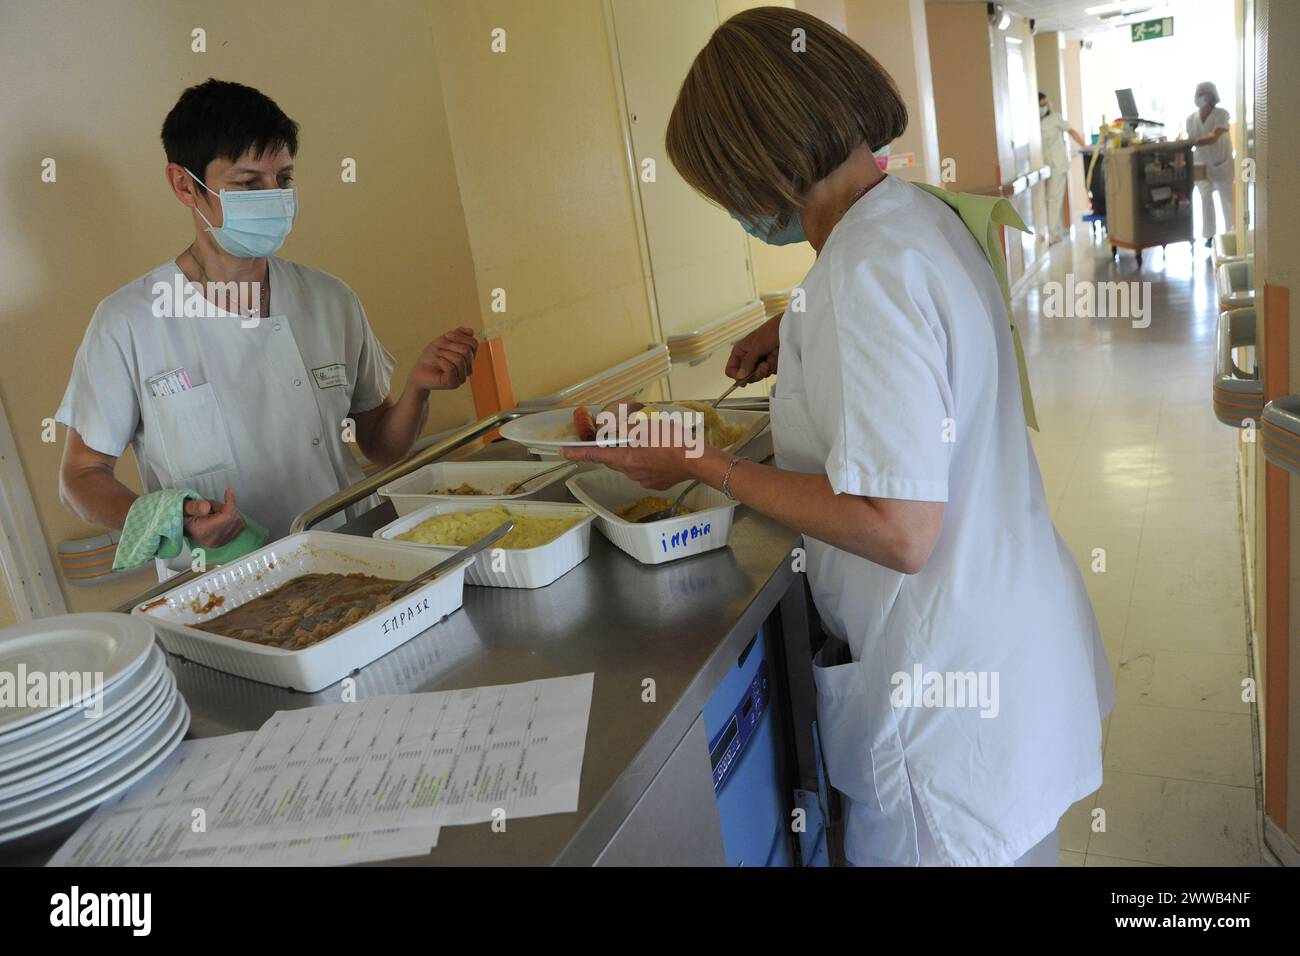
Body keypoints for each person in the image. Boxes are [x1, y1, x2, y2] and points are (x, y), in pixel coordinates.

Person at [564, 8, 1112, 866]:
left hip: (949, 704)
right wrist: (801, 317)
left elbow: (898, 527)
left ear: (757, 167)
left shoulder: (864, 269)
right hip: (1008, 650)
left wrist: (700, 465)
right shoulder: (912, 218)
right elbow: (918, 338)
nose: (731, 208)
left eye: (721, 187)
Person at [56, 79, 478, 577]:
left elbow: (380, 445)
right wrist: (169, 520)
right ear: (184, 184)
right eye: (248, 183)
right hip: (221, 584)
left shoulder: (329, 299)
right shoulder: (129, 321)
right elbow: (81, 476)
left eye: (284, 178)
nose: (274, 197)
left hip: (352, 556)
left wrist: (418, 390)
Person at [1186, 80, 1234, 246]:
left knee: (1227, 201)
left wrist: (1191, 143)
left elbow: (1214, 137)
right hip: (1201, 165)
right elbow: (1190, 140)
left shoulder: (1222, 114)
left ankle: (1232, 234)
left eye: (1198, 94)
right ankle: (1209, 236)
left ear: (1207, 97)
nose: (1195, 98)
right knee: (1205, 198)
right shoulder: (1190, 119)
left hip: (1222, 164)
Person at [1038, 92, 1086, 243]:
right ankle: (1056, 230)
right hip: (1045, 165)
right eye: (1041, 104)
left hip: (1058, 164)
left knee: (1054, 198)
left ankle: (1053, 233)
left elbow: (1071, 131)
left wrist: (1085, 146)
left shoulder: (1055, 118)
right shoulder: (1033, 122)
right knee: (1051, 198)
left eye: (1046, 104)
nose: (1044, 107)